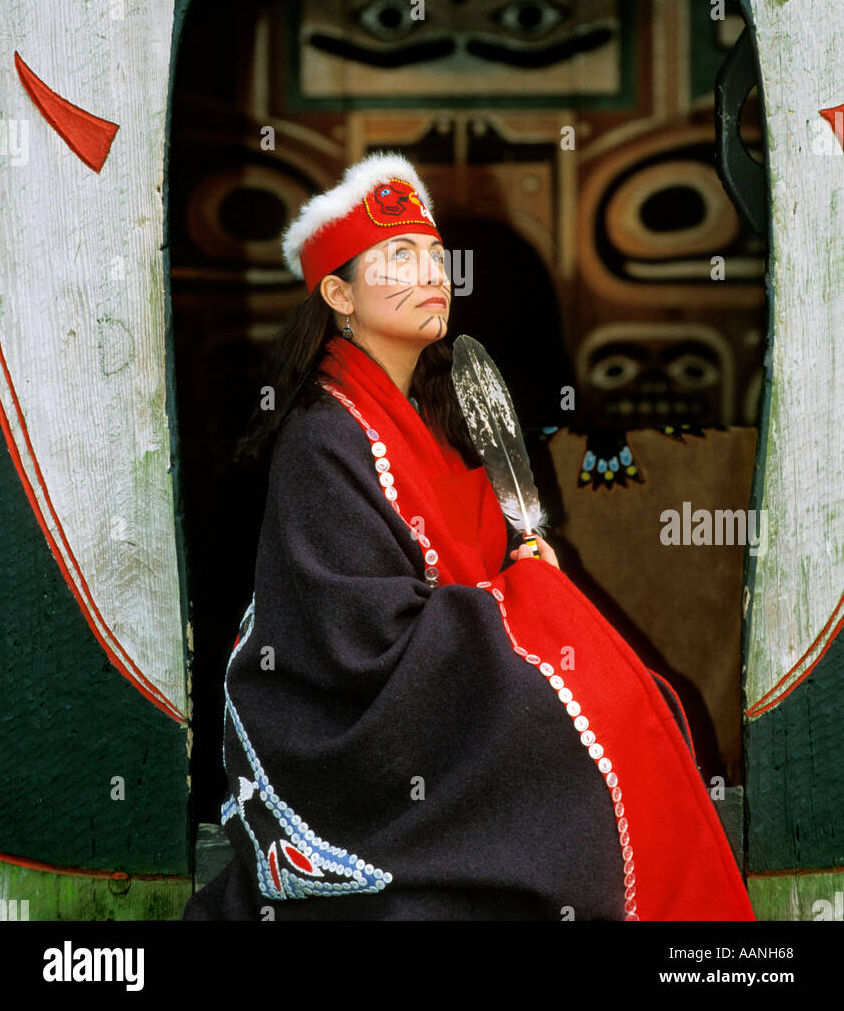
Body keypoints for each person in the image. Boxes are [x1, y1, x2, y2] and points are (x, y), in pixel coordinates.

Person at [183, 151, 755, 922]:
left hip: (443, 675)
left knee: (634, 697)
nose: (431, 274)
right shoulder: (324, 436)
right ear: (337, 293)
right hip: (347, 718)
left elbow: (475, 564)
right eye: (397, 257)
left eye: (433, 255)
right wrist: (514, 601)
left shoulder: (431, 414)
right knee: (585, 718)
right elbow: (357, 640)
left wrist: (526, 570)